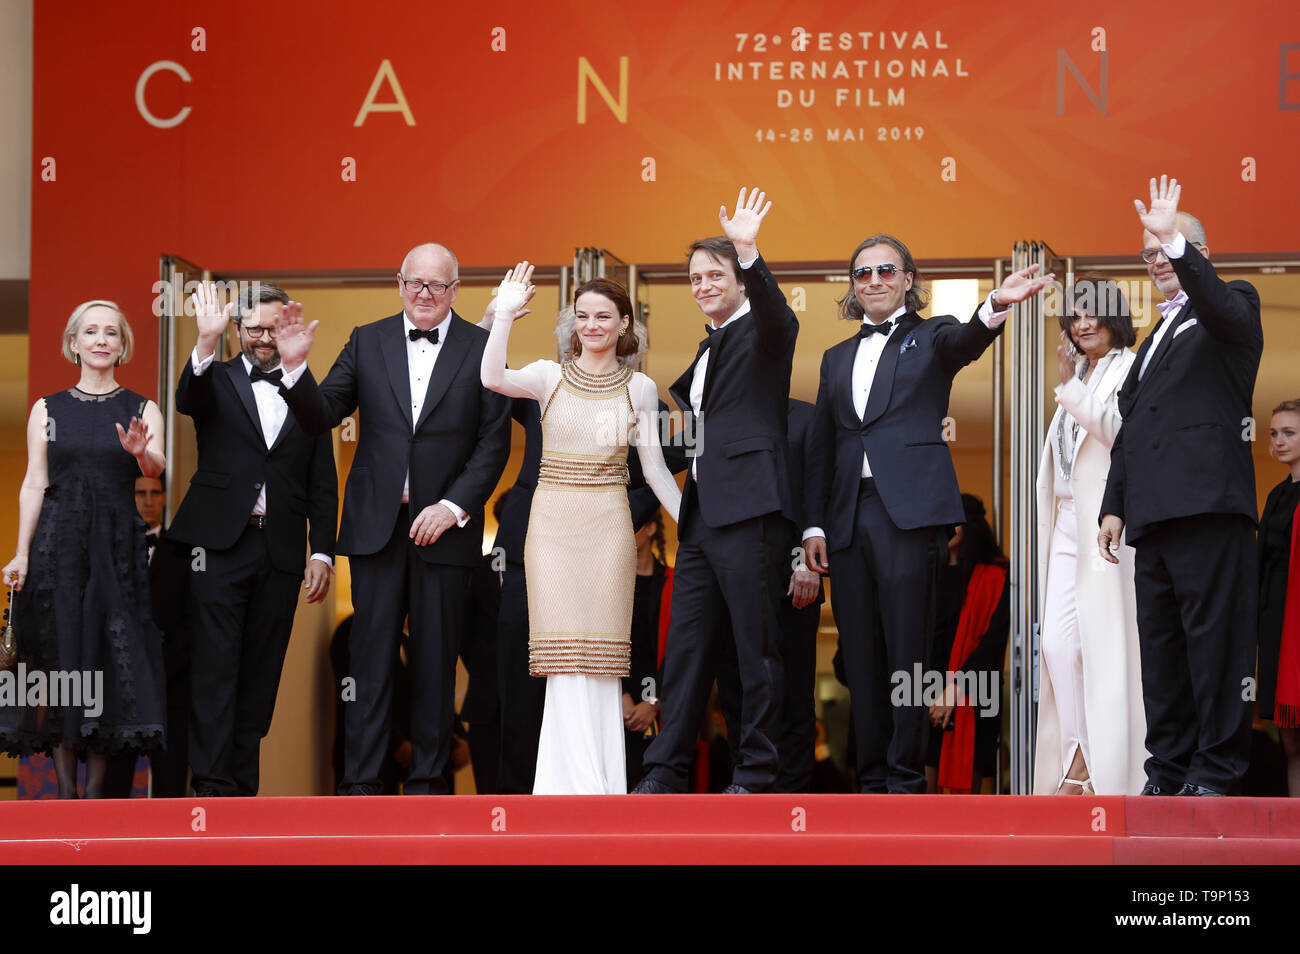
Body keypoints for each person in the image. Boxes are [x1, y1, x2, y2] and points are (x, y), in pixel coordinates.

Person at [803, 234, 1051, 793]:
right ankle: (871, 780)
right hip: (847, 517)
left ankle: (906, 777)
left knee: (908, 650)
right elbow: (821, 446)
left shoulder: (932, 335)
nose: (874, 281)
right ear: (853, 285)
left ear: (909, 279)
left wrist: (997, 303)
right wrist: (814, 524)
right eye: (862, 272)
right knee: (860, 654)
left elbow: (967, 340)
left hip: (910, 515)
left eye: (886, 270)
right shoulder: (834, 358)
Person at [275, 242, 511, 796]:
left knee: (435, 660)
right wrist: (294, 368)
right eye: (415, 282)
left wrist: (452, 507)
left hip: (446, 532)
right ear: (399, 283)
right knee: (370, 660)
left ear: (455, 290)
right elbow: (321, 414)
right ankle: (362, 783)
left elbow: (494, 442)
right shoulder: (367, 339)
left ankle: (429, 784)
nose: (424, 294)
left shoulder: (483, 348)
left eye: (437, 285)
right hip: (375, 530)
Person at [483, 264, 682, 794]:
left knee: (602, 654)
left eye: (603, 316)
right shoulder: (547, 375)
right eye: (583, 316)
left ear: (624, 324)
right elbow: (492, 377)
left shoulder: (641, 387)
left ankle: (602, 783)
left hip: (609, 527)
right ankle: (561, 784)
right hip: (550, 529)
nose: (592, 325)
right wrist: (503, 316)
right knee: (560, 653)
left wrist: (694, 522)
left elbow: (655, 471)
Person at [1098, 176, 1263, 796]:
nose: (1158, 260)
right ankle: (1167, 773)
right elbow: (1132, 426)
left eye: (1168, 248)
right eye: (1149, 253)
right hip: (1152, 518)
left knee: (1215, 648)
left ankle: (1216, 772)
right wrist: (1113, 506)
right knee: (1162, 655)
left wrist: (1176, 240)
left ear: (1200, 253)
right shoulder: (1150, 342)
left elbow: (1218, 304)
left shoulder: (1232, 304)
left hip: (1208, 506)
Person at [632, 187, 800, 795]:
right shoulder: (707, 350)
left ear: (740, 280)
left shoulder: (764, 332)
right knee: (684, 651)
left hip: (752, 511)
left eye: (715, 274)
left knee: (756, 650)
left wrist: (749, 250)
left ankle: (755, 774)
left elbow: (781, 318)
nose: (703, 285)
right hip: (701, 522)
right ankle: (663, 772)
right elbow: (689, 443)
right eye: (695, 278)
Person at [167, 281, 338, 796]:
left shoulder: (308, 390)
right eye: (255, 329)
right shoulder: (214, 378)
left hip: (279, 551)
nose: (264, 339)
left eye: (274, 329)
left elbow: (322, 481)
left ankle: (242, 792)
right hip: (218, 548)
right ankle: (211, 785)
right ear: (237, 328)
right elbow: (187, 399)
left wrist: (322, 551)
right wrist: (204, 341)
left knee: (261, 672)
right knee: (215, 666)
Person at [0, 300, 167, 797]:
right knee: (61, 658)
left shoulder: (142, 407)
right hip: (58, 545)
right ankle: (66, 791)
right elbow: (34, 482)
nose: (101, 340)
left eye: (111, 332)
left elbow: (156, 467)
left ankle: (94, 793)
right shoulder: (46, 408)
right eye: (90, 332)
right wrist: (22, 553)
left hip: (115, 548)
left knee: (104, 658)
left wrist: (141, 452)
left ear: (122, 345)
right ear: (73, 343)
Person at [1033, 278, 1146, 796]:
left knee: (1103, 645)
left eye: (1092, 313)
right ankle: (1076, 756)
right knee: (1056, 645)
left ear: (1114, 317)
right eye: (1074, 316)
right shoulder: (1079, 375)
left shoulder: (1131, 368)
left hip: (1105, 523)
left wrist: (1070, 389)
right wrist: (1070, 385)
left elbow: (1124, 436)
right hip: (1065, 522)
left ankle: (1095, 772)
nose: (1082, 324)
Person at [926, 494, 1009, 794]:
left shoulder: (995, 575)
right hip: (922, 692)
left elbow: (993, 643)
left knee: (964, 804)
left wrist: (955, 688)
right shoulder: (925, 575)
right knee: (923, 799)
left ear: (969, 525)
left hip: (974, 695)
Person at [1257, 400, 1300, 796]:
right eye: (1273, 434)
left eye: (1289, 433)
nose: (1279, 441)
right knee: (1289, 738)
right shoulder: (1276, 495)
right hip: (1276, 619)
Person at [624, 506, 672, 788]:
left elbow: (683, 649)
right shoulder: (611, 583)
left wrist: (654, 701)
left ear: (651, 529)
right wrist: (618, 695)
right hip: (618, 698)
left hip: (663, 701)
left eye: (632, 525)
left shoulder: (674, 582)